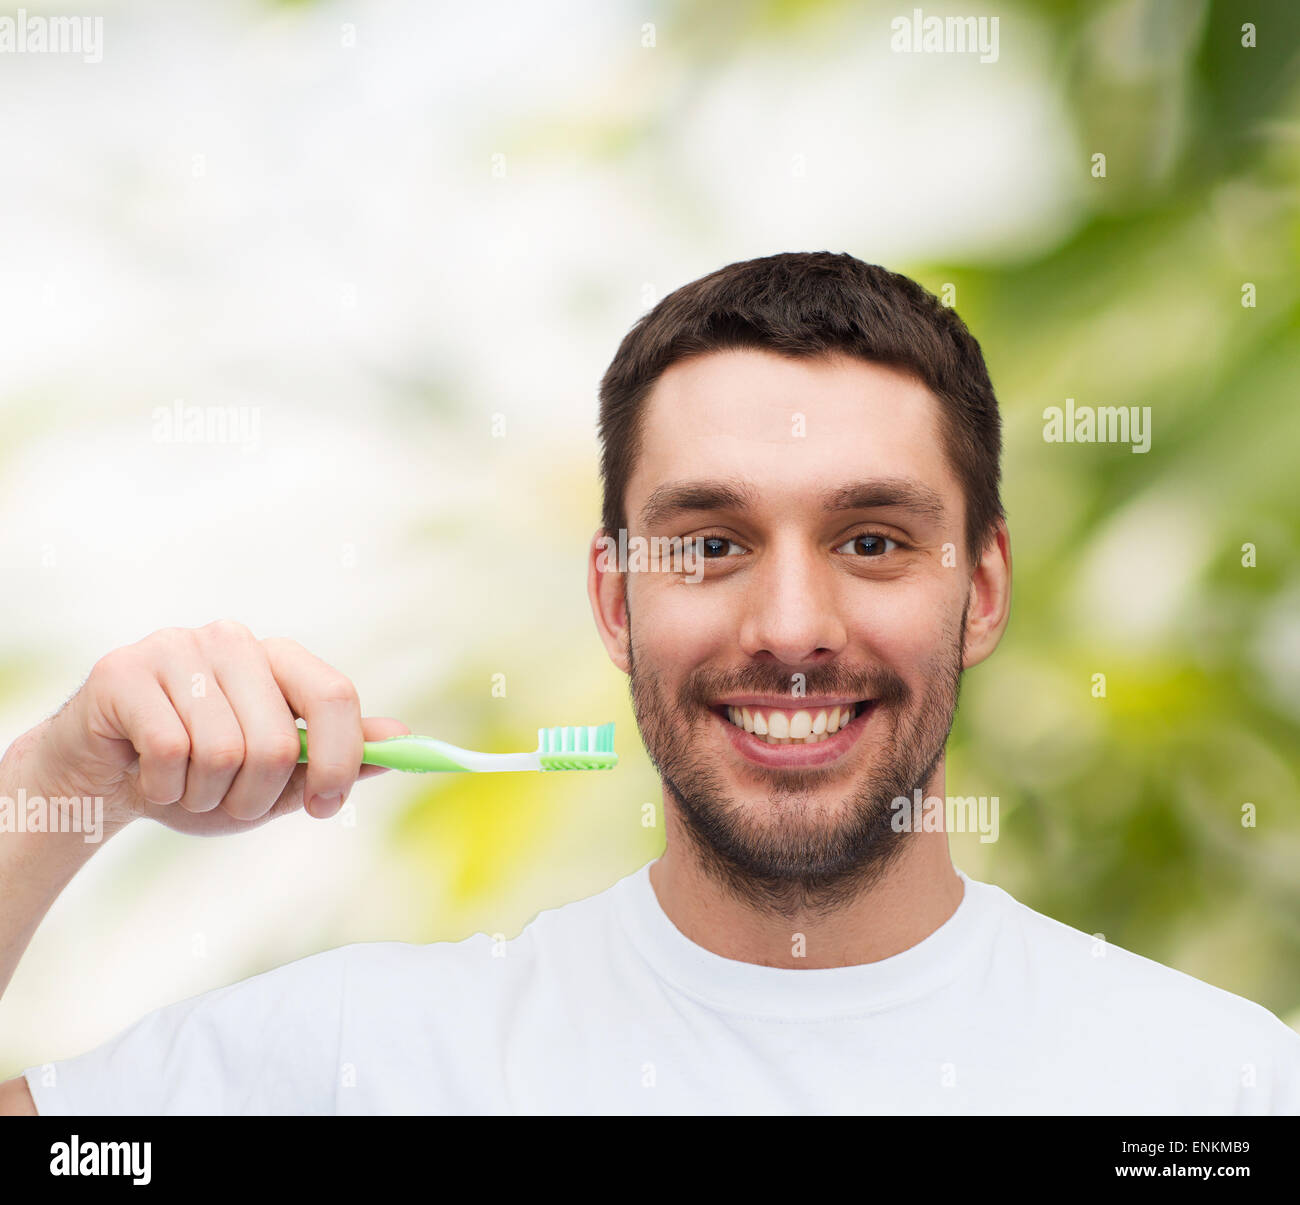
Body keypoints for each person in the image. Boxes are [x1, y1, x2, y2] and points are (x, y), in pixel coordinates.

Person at [2, 251, 1297, 1114]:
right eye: (712, 543)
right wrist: (60, 783)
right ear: (617, 598)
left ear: (986, 589)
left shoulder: (1217, 1094)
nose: (793, 624)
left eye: (872, 539)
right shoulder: (361, 1068)